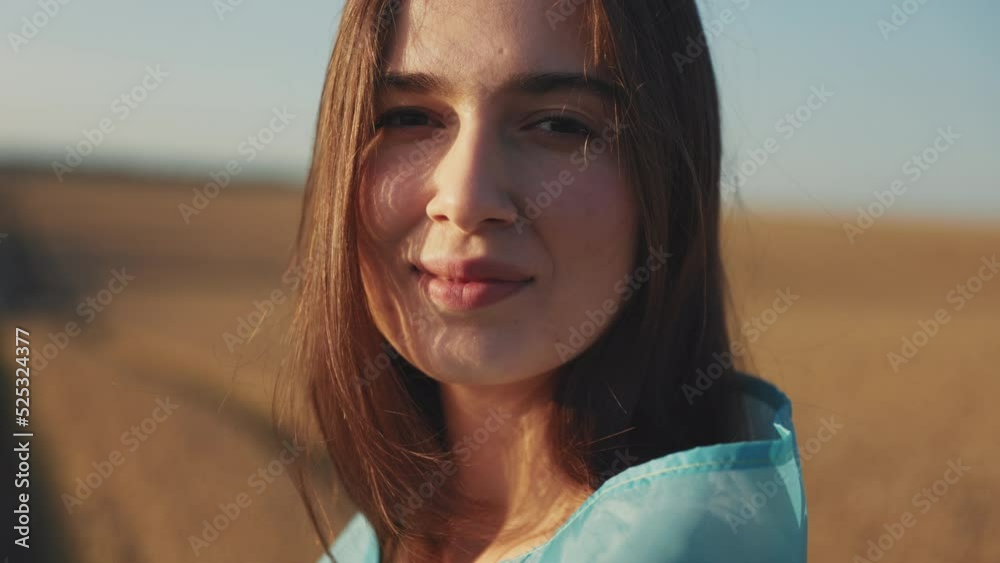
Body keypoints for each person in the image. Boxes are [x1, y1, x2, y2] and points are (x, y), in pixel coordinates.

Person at [281, 0, 808, 561]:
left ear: (669, 184)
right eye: (409, 117)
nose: (465, 200)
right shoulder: (390, 534)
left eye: (560, 124)